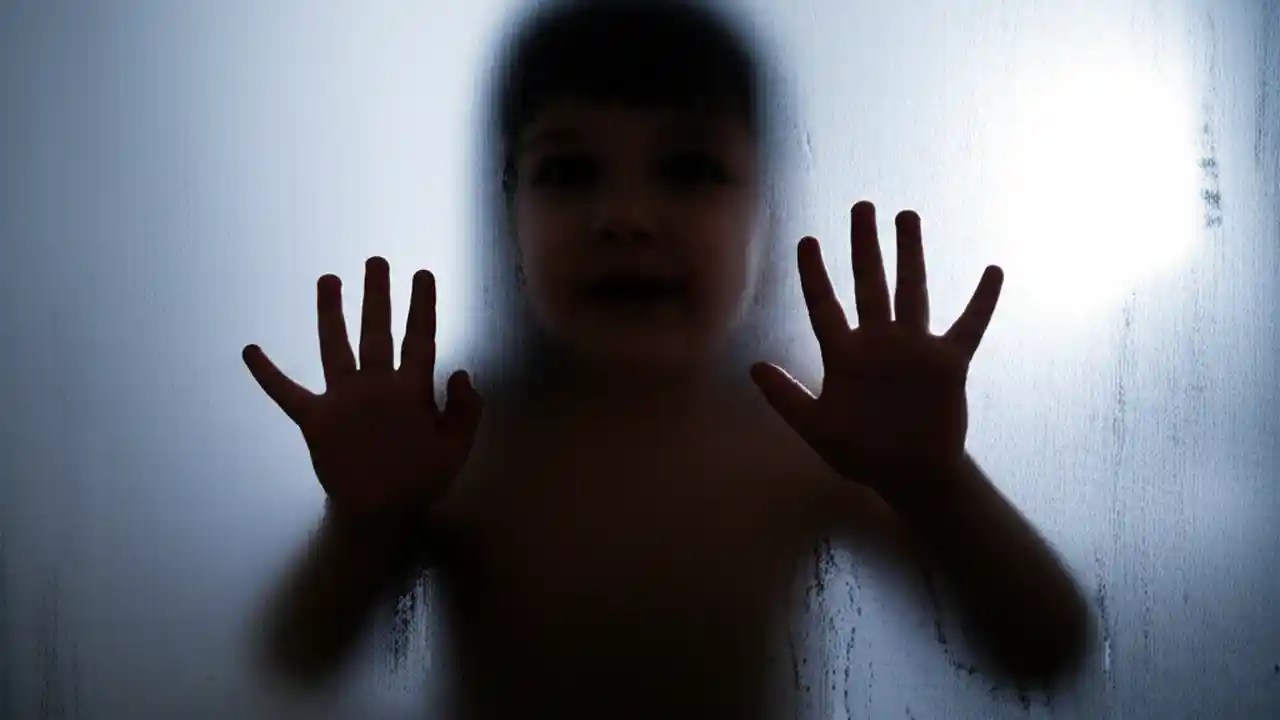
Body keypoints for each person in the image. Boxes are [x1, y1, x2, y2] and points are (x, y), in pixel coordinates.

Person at [241, 1, 1090, 717]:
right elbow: (298, 659)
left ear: (764, 208)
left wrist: (938, 483)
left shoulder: (798, 436)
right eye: (569, 171)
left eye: (689, 169)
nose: (626, 215)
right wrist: (365, 519)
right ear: (506, 213)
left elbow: (1046, 651)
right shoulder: (456, 436)